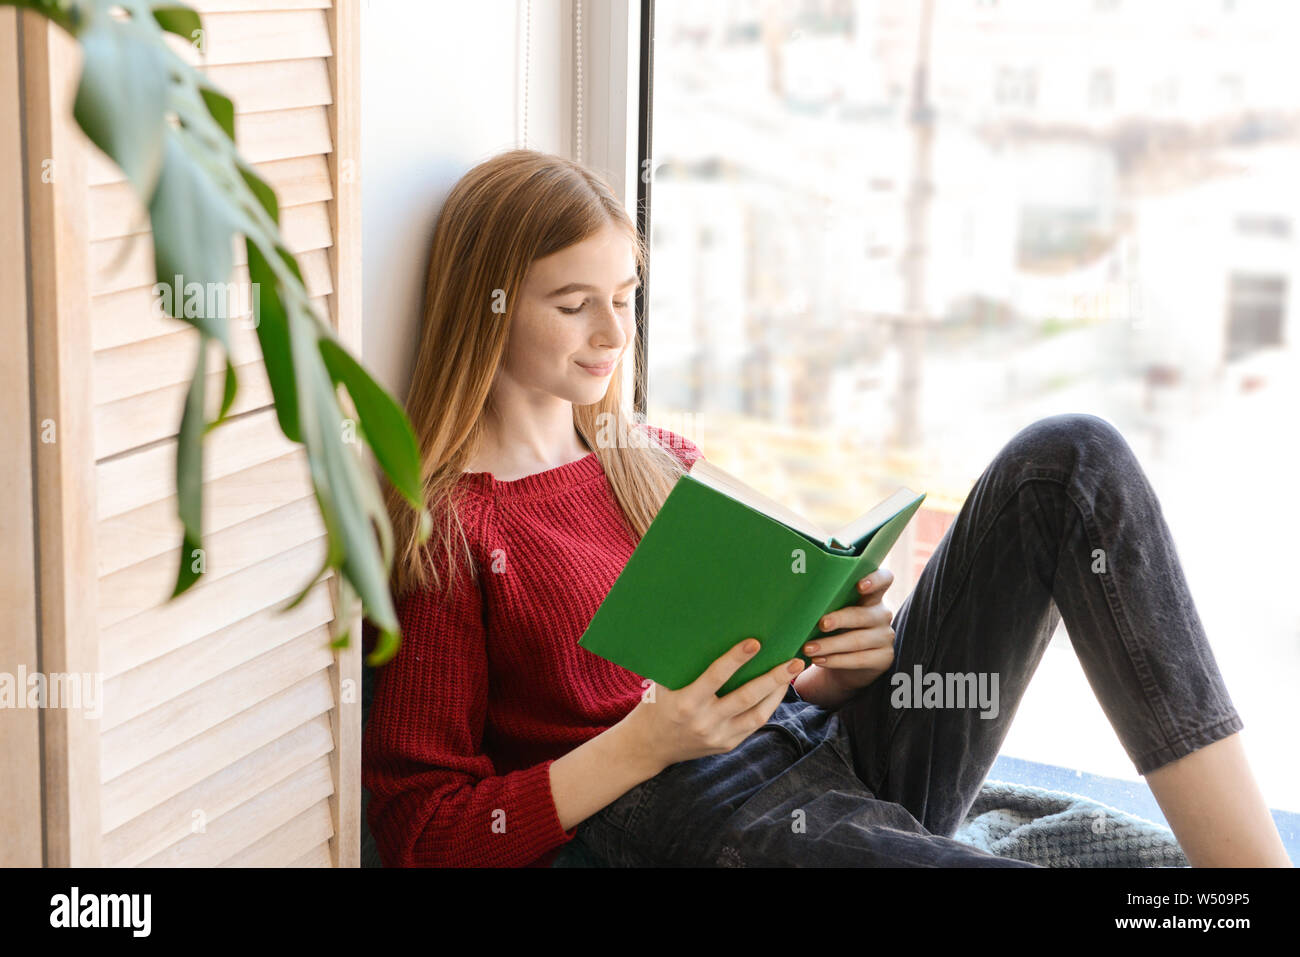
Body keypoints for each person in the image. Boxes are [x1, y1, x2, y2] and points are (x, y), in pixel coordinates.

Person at [361, 148, 1292, 868]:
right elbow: (420, 831)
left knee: (1071, 460)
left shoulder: (652, 464)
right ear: (487, 308)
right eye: (574, 305)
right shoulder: (452, 533)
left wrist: (838, 664)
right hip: (685, 806)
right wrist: (642, 744)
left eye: (625, 297)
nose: (614, 334)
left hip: (828, 744)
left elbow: (765, 669)